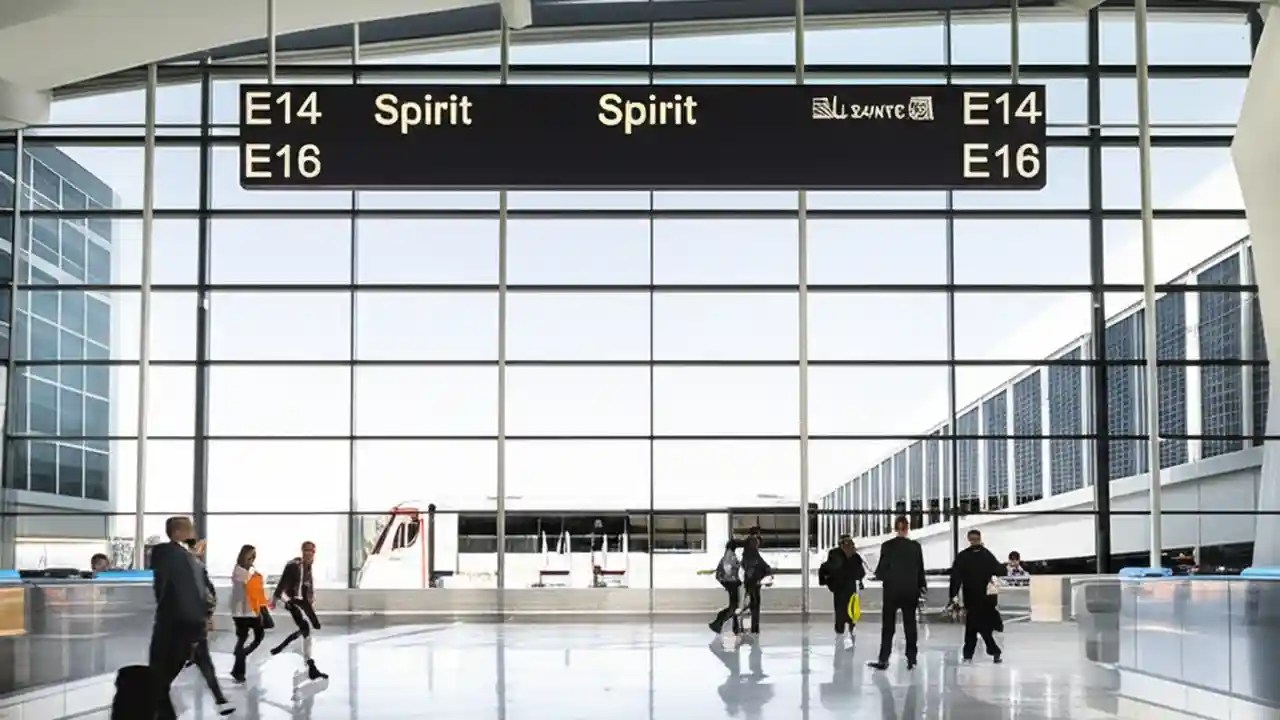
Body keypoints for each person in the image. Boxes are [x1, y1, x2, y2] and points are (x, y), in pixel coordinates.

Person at [149, 516, 225, 719]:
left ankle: (161, 711)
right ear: (177, 533)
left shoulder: (187, 559)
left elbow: (201, 590)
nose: (193, 533)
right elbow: (165, 588)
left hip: (184, 624)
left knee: (166, 672)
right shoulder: (170, 554)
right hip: (180, 624)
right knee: (165, 672)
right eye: (189, 530)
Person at [868, 516, 926, 671]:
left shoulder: (887, 546)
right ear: (907, 528)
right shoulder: (915, 547)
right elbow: (920, 569)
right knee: (910, 625)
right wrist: (922, 586)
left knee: (888, 626)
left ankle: (883, 659)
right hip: (910, 591)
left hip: (892, 591)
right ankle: (912, 659)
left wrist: (879, 575)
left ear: (895, 528)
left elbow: (882, 569)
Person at [183, 538, 234, 714]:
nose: (202, 550)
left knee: (204, 661)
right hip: (190, 623)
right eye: (199, 547)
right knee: (198, 661)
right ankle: (219, 698)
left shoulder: (193, 567)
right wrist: (206, 615)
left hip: (194, 623)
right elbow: (207, 594)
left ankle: (220, 698)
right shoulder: (193, 568)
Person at [270, 541, 328, 681]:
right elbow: (281, 587)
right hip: (289, 600)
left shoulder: (308, 566)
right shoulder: (293, 566)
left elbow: (307, 585)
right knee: (305, 628)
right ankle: (308, 665)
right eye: (307, 551)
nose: (309, 554)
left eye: (312, 551)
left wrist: (311, 597)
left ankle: (308, 664)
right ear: (302, 551)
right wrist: (284, 602)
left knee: (310, 630)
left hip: (301, 602)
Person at [948, 529, 1004, 663]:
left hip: (974, 598)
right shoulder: (986, 555)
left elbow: (955, 577)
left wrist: (953, 595)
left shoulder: (963, 557)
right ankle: (992, 651)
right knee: (978, 626)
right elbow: (999, 570)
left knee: (974, 626)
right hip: (982, 598)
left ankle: (973, 654)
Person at [818, 535, 865, 646]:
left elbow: (827, 568)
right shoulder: (854, 555)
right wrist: (859, 580)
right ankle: (851, 629)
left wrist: (825, 580)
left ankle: (840, 632)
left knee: (840, 610)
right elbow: (861, 572)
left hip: (839, 587)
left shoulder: (834, 553)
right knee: (851, 609)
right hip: (850, 587)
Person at [230, 544, 268, 683]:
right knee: (242, 637)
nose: (252, 558)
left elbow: (257, 587)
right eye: (250, 555)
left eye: (254, 555)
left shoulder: (251, 570)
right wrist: (255, 574)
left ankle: (241, 654)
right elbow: (248, 581)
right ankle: (238, 670)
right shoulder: (238, 570)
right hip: (241, 611)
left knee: (259, 635)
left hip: (252, 610)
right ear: (243, 555)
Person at [740, 530, 773, 637]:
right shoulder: (754, 555)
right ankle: (754, 628)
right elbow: (763, 566)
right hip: (754, 583)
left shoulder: (746, 555)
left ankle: (749, 626)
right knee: (754, 605)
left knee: (751, 604)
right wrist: (767, 574)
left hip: (749, 583)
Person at [709, 539, 745, 635]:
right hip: (731, 582)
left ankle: (734, 627)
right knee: (733, 607)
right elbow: (728, 568)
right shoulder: (730, 555)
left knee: (734, 606)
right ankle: (718, 623)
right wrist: (733, 578)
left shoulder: (728, 554)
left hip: (730, 582)